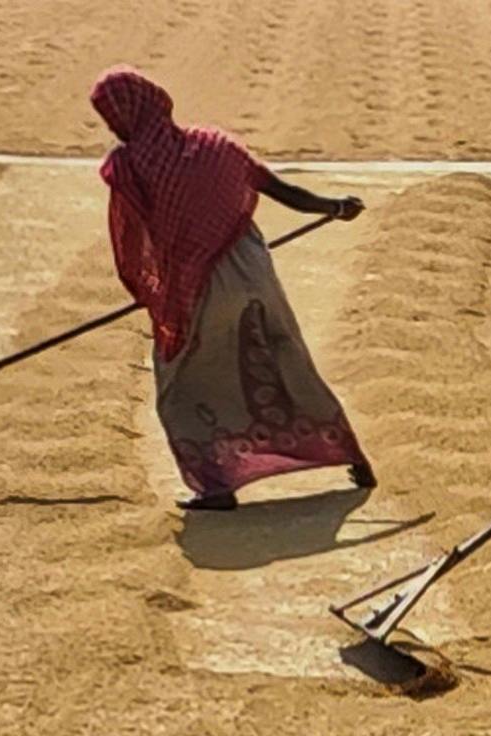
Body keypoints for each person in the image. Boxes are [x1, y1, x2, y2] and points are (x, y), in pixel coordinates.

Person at [90, 70, 368, 510]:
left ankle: (216, 486)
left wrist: (154, 292)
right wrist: (335, 207)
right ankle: (352, 457)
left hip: (197, 287)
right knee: (283, 358)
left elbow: (130, 240)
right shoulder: (216, 144)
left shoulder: (128, 166)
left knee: (181, 384)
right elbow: (282, 190)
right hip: (253, 271)